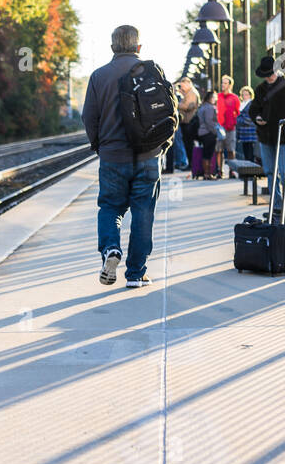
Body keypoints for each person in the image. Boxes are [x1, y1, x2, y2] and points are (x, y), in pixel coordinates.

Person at [81, 24, 173, 288]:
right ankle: (136, 273)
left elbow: (89, 117)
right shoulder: (153, 71)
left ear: (112, 48)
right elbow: (169, 110)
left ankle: (111, 248)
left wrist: (99, 145)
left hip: (113, 156)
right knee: (144, 212)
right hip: (148, 156)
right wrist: (162, 146)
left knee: (110, 206)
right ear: (139, 47)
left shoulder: (99, 76)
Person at [250, 55, 285, 219]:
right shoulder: (260, 89)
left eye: (270, 73)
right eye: (266, 75)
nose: (269, 77)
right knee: (270, 172)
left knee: (284, 171)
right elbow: (253, 109)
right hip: (266, 137)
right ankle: (277, 206)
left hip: (284, 137)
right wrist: (257, 118)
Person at [217, 74, 241, 178]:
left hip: (231, 128)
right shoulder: (218, 97)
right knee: (219, 150)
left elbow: (238, 112)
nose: (223, 84)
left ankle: (232, 171)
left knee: (231, 150)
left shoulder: (235, 98)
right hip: (219, 128)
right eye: (222, 82)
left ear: (230, 85)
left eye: (225, 83)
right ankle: (219, 171)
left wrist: (234, 122)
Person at [195, 89, 221, 180]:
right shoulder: (210, 107)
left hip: (202, 132)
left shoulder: (203, 106)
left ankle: (206, 173)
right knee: (208, 154)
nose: (216, 99)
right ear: (211, 98)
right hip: (208, 133)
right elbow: (209, 121)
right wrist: (215, 132)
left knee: (206, 153)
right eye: (215, 97)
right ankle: (207, 174)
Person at [175, 77, 200, 172]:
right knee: (188, 144)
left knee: (189, 144)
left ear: (188, 83)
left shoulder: (192, 93)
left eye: (183, 85)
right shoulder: (188, 93)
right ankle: (190, 163)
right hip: (187, 122)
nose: (182, 87)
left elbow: (189, 106)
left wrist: (176, 103)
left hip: (189, 123)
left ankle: (191, 164)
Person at [235, 85, 259, 163]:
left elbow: (250, 118)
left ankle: (251, 169)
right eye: (243, 94)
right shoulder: (242, 104)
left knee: (250, 152)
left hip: (250, 132)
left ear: (250, 95)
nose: (245, 96)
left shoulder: (251, 104)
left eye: (246, 94)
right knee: (245, 151)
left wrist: (238, 119)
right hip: (243, 133)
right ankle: (246, 169)